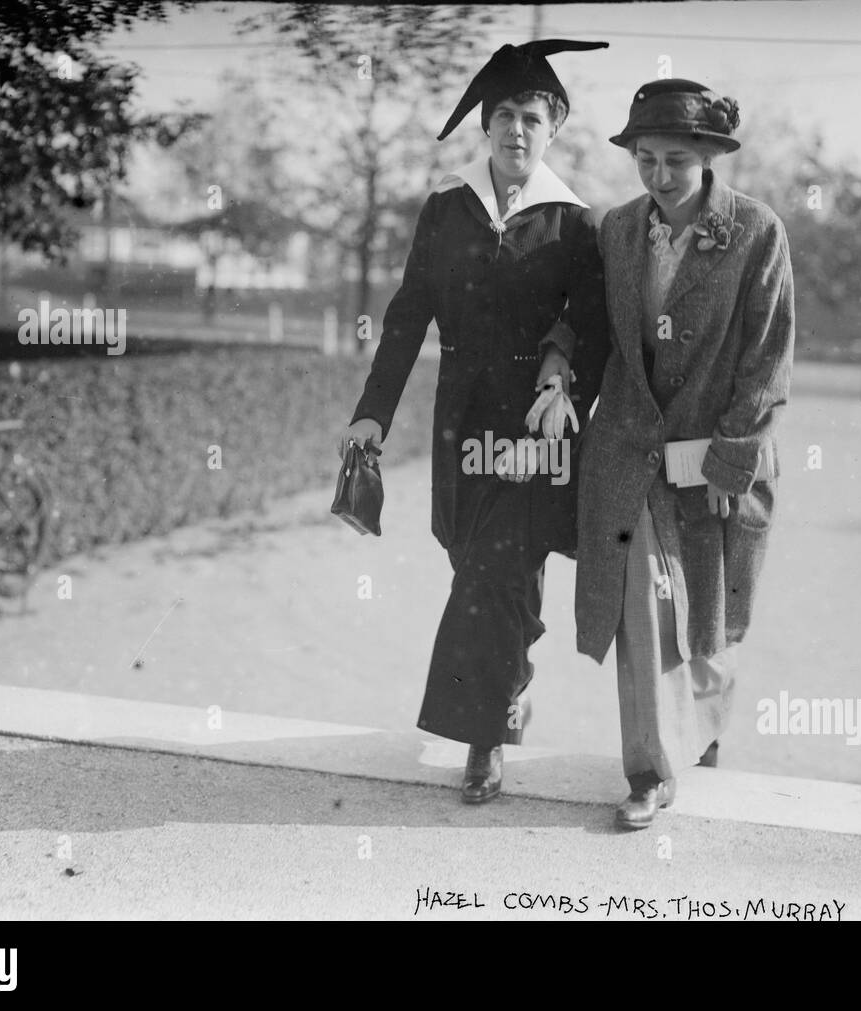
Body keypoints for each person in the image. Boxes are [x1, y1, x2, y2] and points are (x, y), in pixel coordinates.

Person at [335, 41, 608, 804]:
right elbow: (405, 319)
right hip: (462, 424)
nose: (516, 130)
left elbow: (590, 325)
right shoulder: (445, 212)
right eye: (503, 117)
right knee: (476, 565)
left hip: (533, 429)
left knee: (500, 572)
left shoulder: (573, 226)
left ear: (552, 128)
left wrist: (563, 382)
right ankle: (512, 682)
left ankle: (485, 739)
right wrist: (371, 416)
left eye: (531, 116)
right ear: (484, 129)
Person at [552, 79, 795, 829]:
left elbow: (767, 356)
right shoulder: (617, 230)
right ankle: (649, 771)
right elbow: (590, 325)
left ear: (712, 157)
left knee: (712, 617)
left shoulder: (758, 233)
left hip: (717, 459)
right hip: (625, 453)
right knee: (639, 613)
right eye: (646, 159)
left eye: (676, 162)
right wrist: (558, 367)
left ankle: (700, 731)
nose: (658, 178)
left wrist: (732, 456)